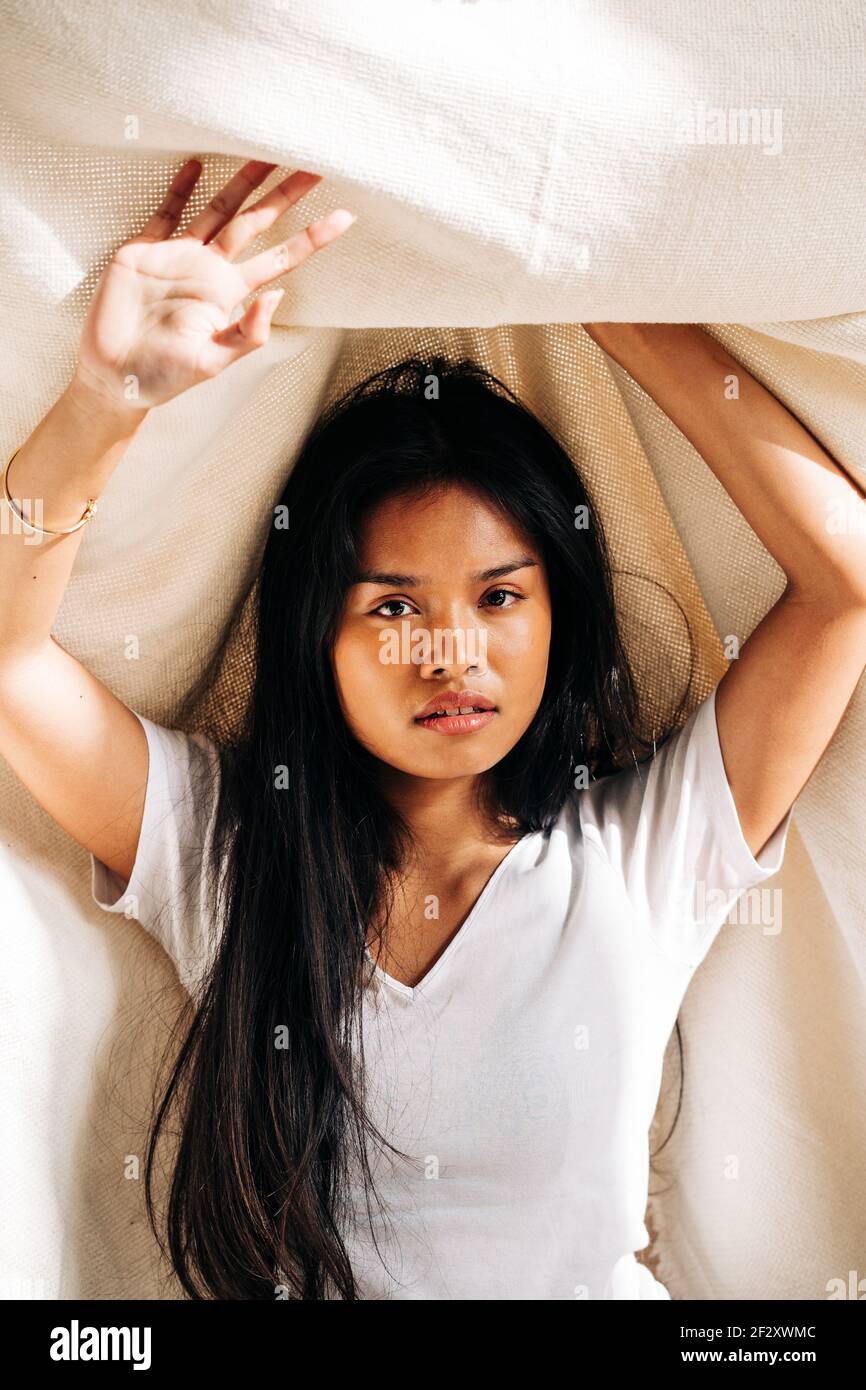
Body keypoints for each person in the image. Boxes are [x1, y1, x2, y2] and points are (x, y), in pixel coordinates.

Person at [1, 159, 864, 1302]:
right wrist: (106, 404)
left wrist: (611, 303)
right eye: (394, 605)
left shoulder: (639, 852)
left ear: (559, 613)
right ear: (317, 634)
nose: (451, 656)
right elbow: (10, 660)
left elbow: (842, 583)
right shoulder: (226, 847)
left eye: (500, 597)